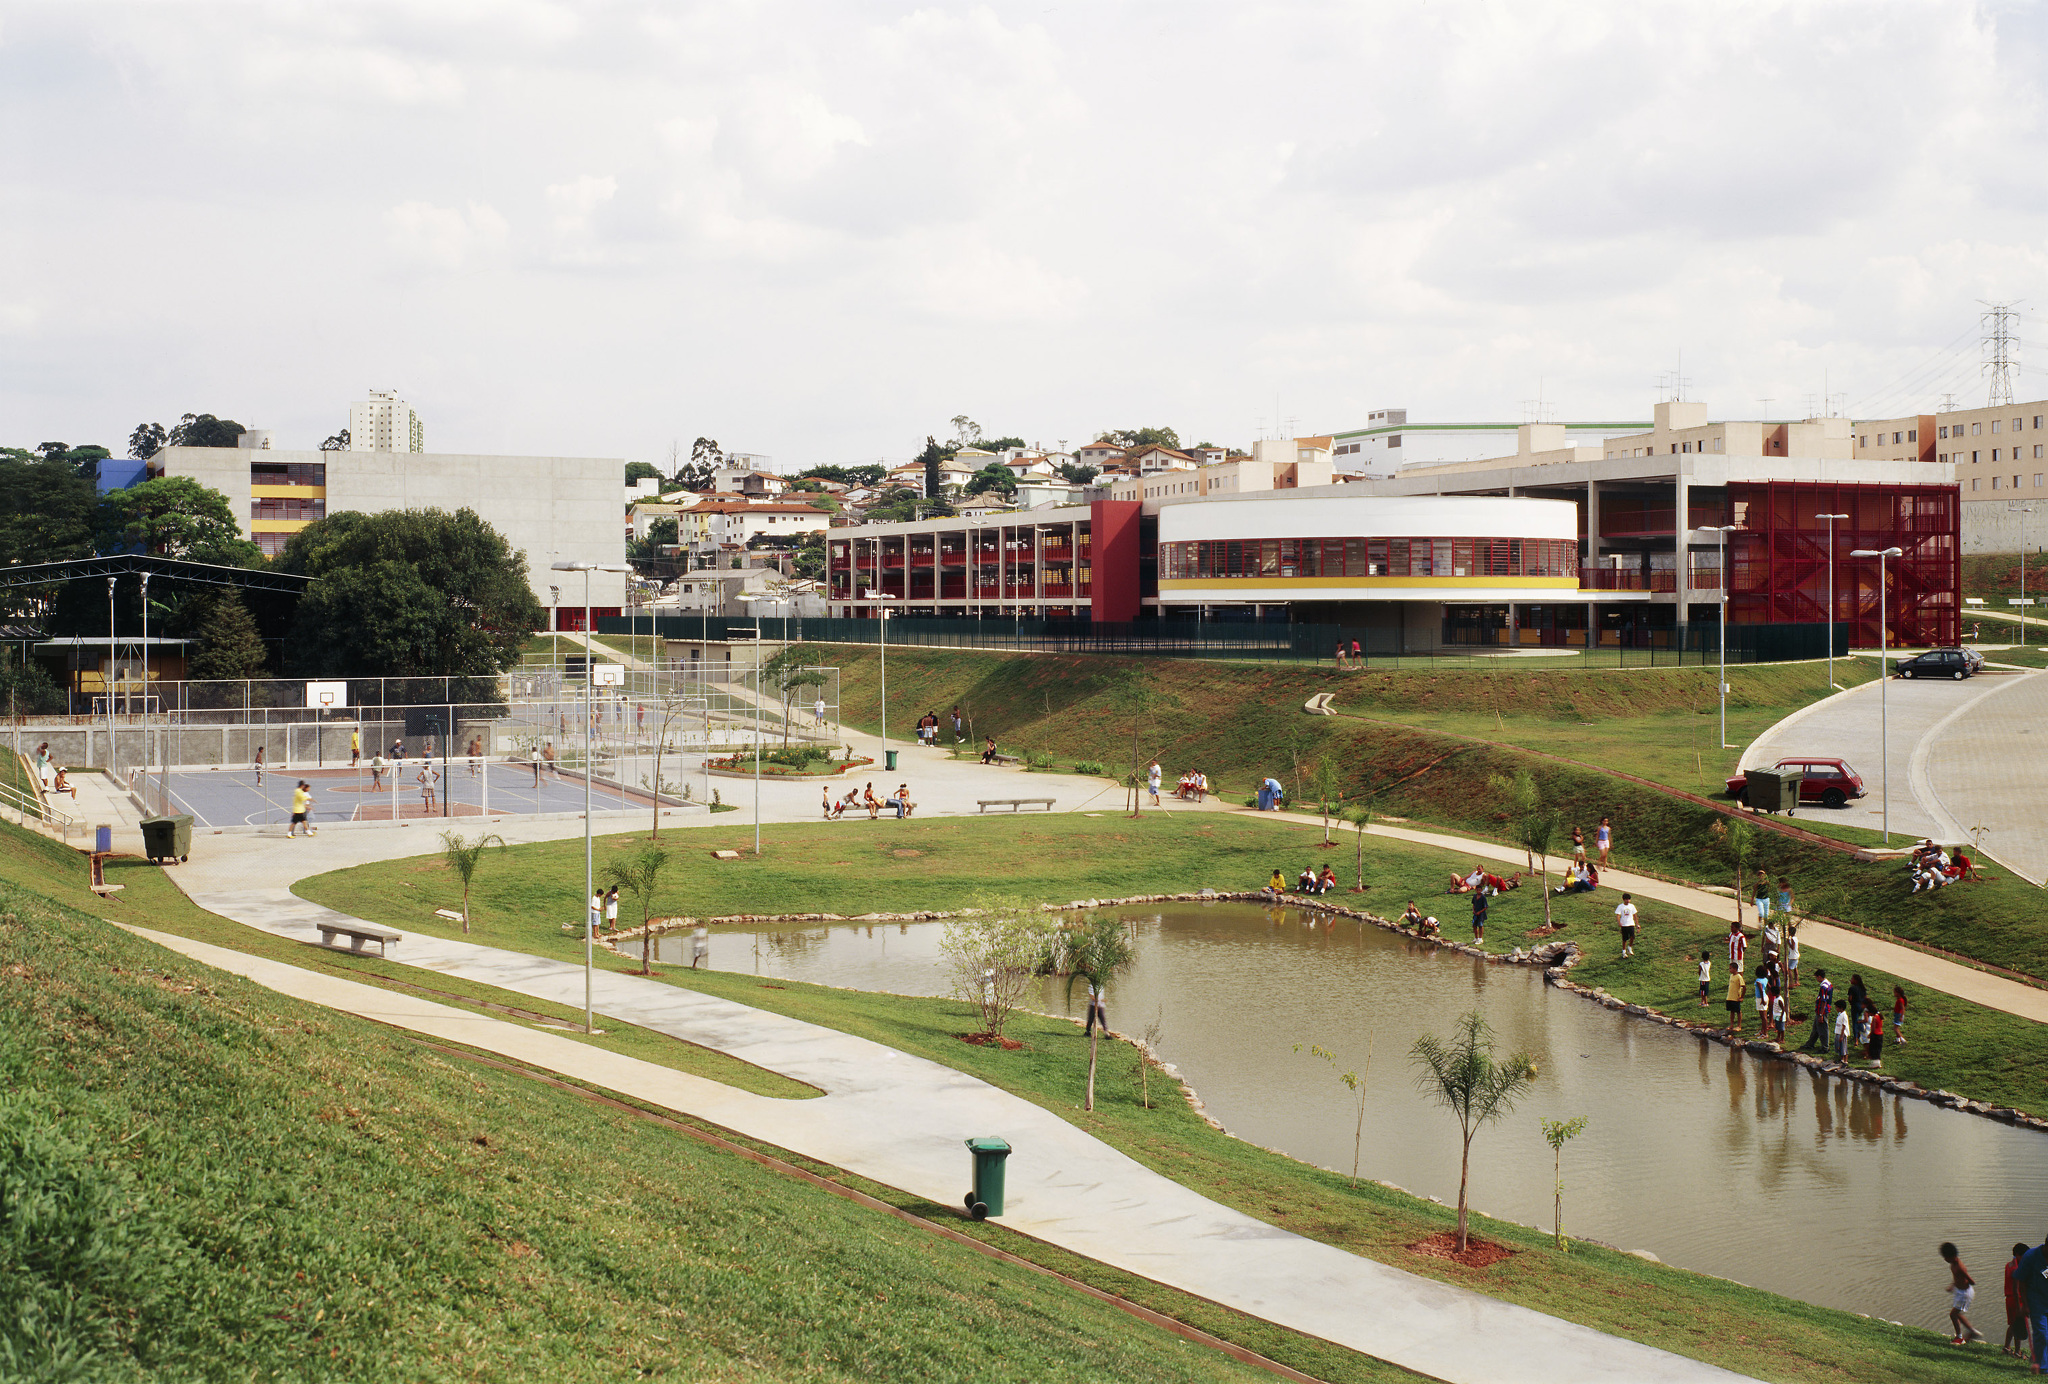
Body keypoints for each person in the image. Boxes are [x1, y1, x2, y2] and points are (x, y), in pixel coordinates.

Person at [1942, 1242, 1986, 1345]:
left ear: (1952, 1256)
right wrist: (1953, 1285)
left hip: (1964, 1293)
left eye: (1946, 1257)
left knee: (1953, 1314)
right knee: (1957, 1313)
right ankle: (1972, 1331)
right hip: (1959, 1291)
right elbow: (1957, 1278)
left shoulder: (1959, 1267)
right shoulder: (1953, 1264)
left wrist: (1963, 1284)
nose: (1945, 1260)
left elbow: (1971, 1281)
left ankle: (1959, 1338)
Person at [2018, 1238, 2048, 1371]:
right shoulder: (2030, 1256)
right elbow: (2021, 1282)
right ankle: (2043, 1367)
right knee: (2041, 1333)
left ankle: (2038, 1359)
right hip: (2036, 1301)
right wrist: (2025, 1304)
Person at [2005, 1242, 2032, 1360]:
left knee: (2013, 1324)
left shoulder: (2009, 1265)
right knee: (2020, 1326)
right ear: (2018, 1255)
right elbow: (2016, 1289)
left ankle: (2006, 1347)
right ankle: (2017, 1352)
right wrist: (2019, 1307)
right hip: (2017, 1300)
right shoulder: (2017, 1269)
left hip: (2009, 1299)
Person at [1614, 892, 1638, 958]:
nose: (1628, 901)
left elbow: (1635, 915)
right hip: (1624, 924)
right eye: (1626, 899)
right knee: (1624, 938)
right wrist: (1619, 922)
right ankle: (1624, 951)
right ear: (1624, 900)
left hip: (1631, 923)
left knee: (1632, 936)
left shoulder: (1632, 906)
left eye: (1629, 899)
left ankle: (1630, 947)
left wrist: (1637, 924)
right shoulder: (1620, 906)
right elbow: (1618, 915)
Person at [1725, 967, 1746, 1032]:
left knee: (1738, 1011)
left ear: (1735, 969)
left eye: (1731, 968)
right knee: (1732, 1011)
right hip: (1730, 997)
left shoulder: (1739, 977)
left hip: (1736, 997)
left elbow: (1744, 987)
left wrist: (1742, 997)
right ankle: (1731, 1025)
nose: (1730, 969)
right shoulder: (1731, 976)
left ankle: (1739, 1026)